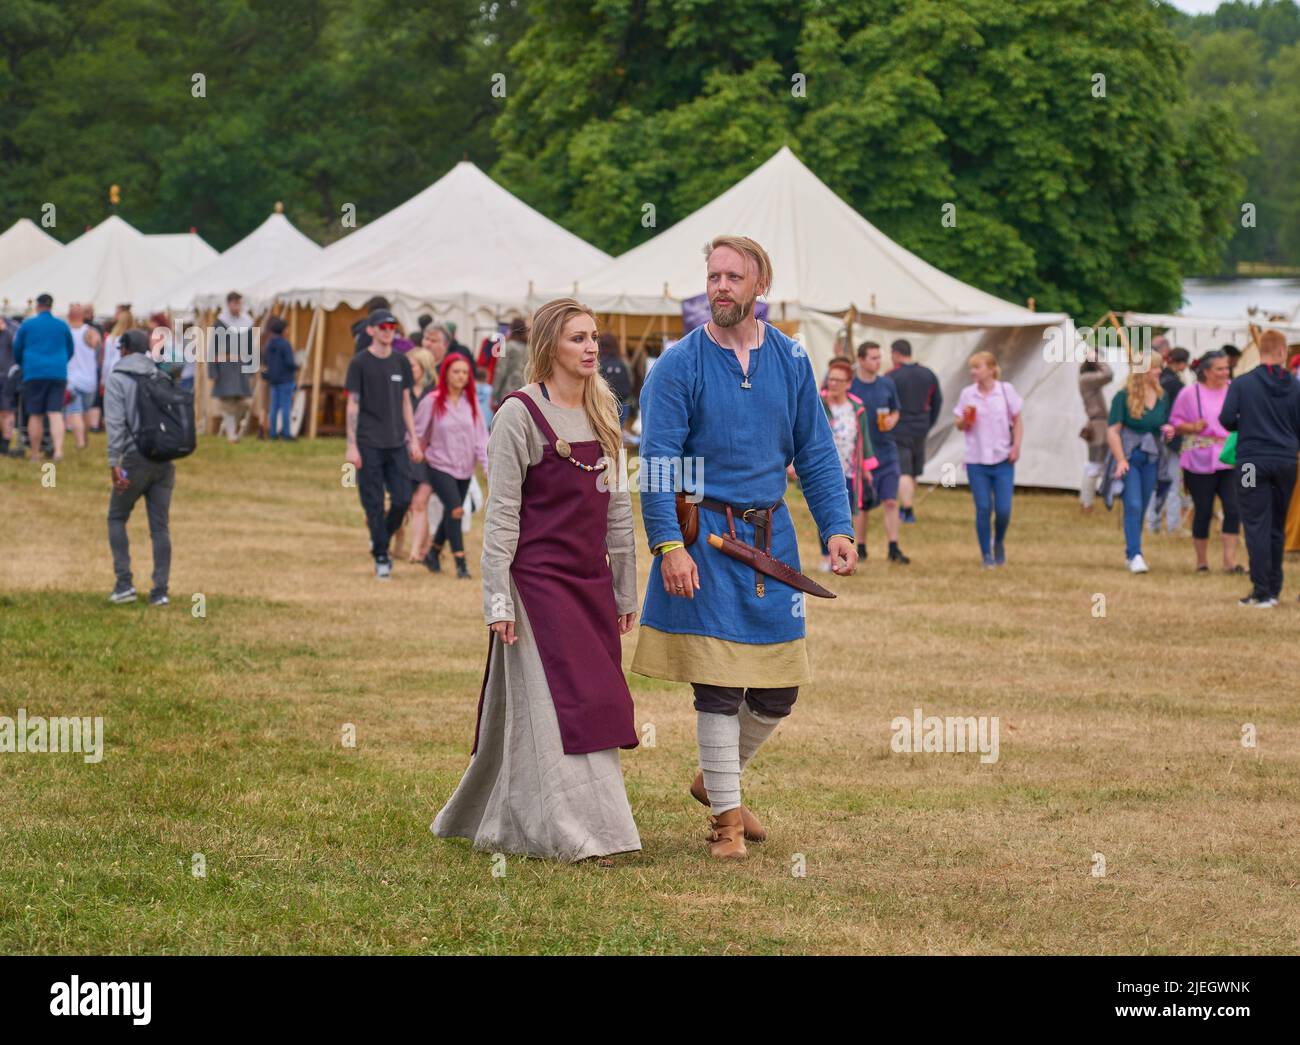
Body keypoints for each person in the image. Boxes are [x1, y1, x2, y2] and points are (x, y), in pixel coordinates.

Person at [631, 236, 856, 861]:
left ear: (761, 287)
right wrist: (668, 543)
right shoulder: (679, 364)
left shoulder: (789, 357)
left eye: (733, 277)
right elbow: (656, 464)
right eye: (713, 276)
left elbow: (813, 450)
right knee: (720, 688)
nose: (720, 286)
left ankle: (715, 779)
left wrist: (837, 526)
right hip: (703, 539)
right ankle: (727, 823)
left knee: (779, 689)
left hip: (771, 541)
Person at [433, 297, 641, 862]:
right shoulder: (517, 414)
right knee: (555, 706)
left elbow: (618, 509)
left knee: (596, 700)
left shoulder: (605, 411)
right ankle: (577, 834)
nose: (591, 347)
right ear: (549, 346)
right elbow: (501, 515)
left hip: (589, 582)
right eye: (577, 338)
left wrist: (626, 588)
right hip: (535, 584)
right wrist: (497, 599)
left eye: (594, 336)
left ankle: (518, 819)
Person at [1220, 328, 1300, 607]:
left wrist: (1250, 424)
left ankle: (1262, 589)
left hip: (1252, 462)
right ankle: (1274, 589)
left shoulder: (1243, 384)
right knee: (1277, 524)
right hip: (1286, 462)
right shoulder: (1296, 386)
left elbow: (1227, 419)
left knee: (1256, 522)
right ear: (1282, 352)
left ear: (1260, 351)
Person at [344, 308, 422, 579]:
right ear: (371, 330)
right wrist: (351, 445)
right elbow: (352, 404)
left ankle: (380, 539)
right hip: (368, 442)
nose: (388, 331)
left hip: (396, 442)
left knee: (402, 499)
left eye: (392, 327)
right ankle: (381, 557)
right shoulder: (359, 363)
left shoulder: (401, 362)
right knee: (373, 502)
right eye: (383, 327)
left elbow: (405, 402)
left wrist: (413, 439)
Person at [104, 329, 175, 606]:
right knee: (160, 527)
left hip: (135, 458)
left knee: (116, 517)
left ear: (123, 349)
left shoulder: (119, 378)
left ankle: (124, 584)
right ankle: (160, 590)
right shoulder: (161, 375)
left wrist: (114, 463)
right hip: (164, 459)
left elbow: (115, 424)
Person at [411, 354, 489, 578]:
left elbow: (480, 438)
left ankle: (433, 553)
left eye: (465, 372)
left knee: (450, 512)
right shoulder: (432, 401)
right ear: (445, 373)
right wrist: (416, 450)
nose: (461, 376)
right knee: (456, 509)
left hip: (465, 468)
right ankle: (461, 564)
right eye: (456, 371)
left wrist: (486, 465)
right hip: (438, 465)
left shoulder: (471, 403)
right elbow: (416, 433)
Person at [1169, 350, 1240, 573]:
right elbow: (1174, 423)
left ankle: (1230, 561)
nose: (1225, 372)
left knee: (1234, 508)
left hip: (1229, 458)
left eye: (1227, 368)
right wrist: (1191, 427)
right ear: (1206, 371)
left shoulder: (1234, 390)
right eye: (1220, 369)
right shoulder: (1189, 394)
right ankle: (1201, 561)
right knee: (1203, 509)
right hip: (1199, 459)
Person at [953, 351, 1023, 567]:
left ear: (991, 369)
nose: (973, 372)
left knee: (1003, 510)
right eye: (972, 368)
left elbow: (1017, 420)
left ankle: (998, 541)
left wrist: (1016, 447)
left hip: (1003, 458)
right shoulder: (967, 394)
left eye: (977, 367)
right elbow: (958, 424)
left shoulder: (1005, 390)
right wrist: (964, 420)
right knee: (983, 508)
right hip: (976, 460)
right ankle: (986, 555)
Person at [1106, 351, 1173, 574]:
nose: (1159, 371)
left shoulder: (1162, 396)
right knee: (1132, 504)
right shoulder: (1122, 397)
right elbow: (1113, 431)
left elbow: (1162, 424)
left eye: (1159, 367)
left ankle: (1131, 551)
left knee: (1142, 506)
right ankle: (1136, 554)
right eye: (1155, 367)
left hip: (1152, 457)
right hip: (1130, 457)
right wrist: (1120, 460)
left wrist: (1168, 430)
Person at [850, 341, 908, 563]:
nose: (878, 361)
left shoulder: (887, 384)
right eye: (873, 357)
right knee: (863, 505)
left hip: (887, 450)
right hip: (863, 454)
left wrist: (893, 419)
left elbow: (896, 410)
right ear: (861, 360)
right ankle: (861, 546)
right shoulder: (852, 386)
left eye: (879, 357)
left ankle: (893, 547)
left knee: (890, 501)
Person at [816, 357, 876, 572]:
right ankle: (826, 556)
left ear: (848, 383)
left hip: (850, 469)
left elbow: (863, 438)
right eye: (831, 379)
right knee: (825, 510)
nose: (833, 384)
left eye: (839, 381)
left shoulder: (856, 407)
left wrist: (867, 468)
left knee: (847, 512)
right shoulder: (817, 403)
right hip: (823, 469)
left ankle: (847, 553)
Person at [12, 293, 72, 462]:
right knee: (55, 412)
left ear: (38, 306)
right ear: (51, 306)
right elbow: (70, 349)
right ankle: (58, 451)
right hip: (57, 372)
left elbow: (18, 349)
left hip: (34, 372)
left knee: (35, 414)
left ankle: (35, 452)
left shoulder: (27, 325)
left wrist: (24, 364)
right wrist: (59, 363)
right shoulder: (62, 325)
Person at [888, 338, 942, 523]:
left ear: (895, 353)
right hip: (921, 428)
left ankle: (908, 510)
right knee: (914, 472)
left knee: (903, 471)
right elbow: (937, 402)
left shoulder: (892, 376)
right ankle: (906, 506)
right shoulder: (928, 374)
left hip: (899, 429)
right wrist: (928, 422)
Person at [1148, 346, 1191, 535]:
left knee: (1156, 483)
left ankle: (1153, 523)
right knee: (1172, 484)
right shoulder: (1175, 385)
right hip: (1170, 438)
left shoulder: (1160, 382)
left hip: (1156, 436)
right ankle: (1172, 526)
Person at [210, 292, 254, 442]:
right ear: (229, 304)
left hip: (240, 365)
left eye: (239, 303)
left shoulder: (246, 322)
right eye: (234, 303)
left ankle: (233, 430)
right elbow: (213, 348)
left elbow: (249, 347)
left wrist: (250, 367)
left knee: (242, 401)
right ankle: (231, 434)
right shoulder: (220, 322)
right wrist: (213, 371)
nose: (237, 307)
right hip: (226, 366)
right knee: (228, 400)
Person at [1078, 353, 1113, 512]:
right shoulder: (1086, 378)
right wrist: (1096, 359)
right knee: (1094, 465)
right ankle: (1086, 503)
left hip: (1101, 424)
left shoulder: (1088, 379)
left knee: (1100, 465)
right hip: (1097, 425)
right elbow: (1108, 374)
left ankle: (1088, 501)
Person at [63, 303, 101, 449]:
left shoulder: (65, 332)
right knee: (85, 411)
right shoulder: (91, 332)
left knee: (75, 411)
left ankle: (80, 443)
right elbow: (98, 351)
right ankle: (84, 440)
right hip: (90, 379)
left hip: (71, 378)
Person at [491, 316, 529, 409]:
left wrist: (494, 395)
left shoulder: (506, 346)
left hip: (508, 392)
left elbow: (500, 371)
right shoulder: (529, 348)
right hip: (526, 392)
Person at [598, 332, 633, 427]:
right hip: (623, 403)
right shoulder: (623, 362)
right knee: (618, 434)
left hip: (604, 404)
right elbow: (631, 381)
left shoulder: (598, 363)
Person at [0, 313, 18, 457]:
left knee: (7, 411)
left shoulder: (12, 327)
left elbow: (19, 346)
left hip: (7, 377)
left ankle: (5, 445)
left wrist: (5, 330)